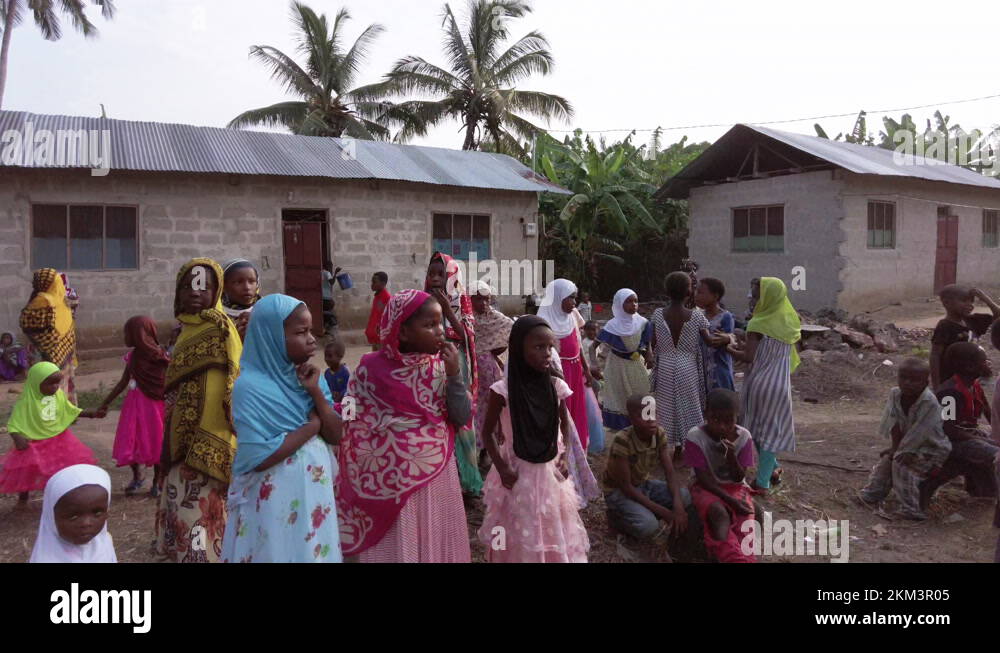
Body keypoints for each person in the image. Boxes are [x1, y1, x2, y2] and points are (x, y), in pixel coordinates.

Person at [336, 289, 472, 563]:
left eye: (440, 323)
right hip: (386, 476)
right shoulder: (370, 367)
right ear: (403, 331)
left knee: (432, 535)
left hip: (433, 475)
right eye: (429, 325)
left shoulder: (442, 367)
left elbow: (461, 416)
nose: (440, 332)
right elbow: (352, 410)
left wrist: (455, 375)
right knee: (399, 540)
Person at [222, 294, 344, 563]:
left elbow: (336, 434)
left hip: (314, 495)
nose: (311, 339)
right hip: (274, 498)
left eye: (310, 330)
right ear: (271, 336)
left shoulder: (310, 378)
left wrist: (316, 395)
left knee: (311, 552)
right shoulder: (250, 387)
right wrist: (311, 427)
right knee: (278, 550)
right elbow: (258, 456)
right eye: (301, 332)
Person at [477, 315, 590, 562]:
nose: (547, 353)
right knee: (515, 527)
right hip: (515, 473)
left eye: (550, 347)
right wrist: (502, 467)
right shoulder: (502, 391)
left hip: (550, 471)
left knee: (551, 524)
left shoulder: (554, 385)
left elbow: (565, 425)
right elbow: (487, 433)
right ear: (518, 349)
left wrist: (564, 455)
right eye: (538, 347)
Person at [153, 258, 242, 563]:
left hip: (212, 435)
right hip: (180, 435)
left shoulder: (221, 328)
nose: (196, 290)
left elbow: (233, 381)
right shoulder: (182, 333)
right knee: (183, 501)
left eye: (204, 285)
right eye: (189, 284)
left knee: (206, 509)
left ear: (216, 291)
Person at [728, 277, 800, 493]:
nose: (752, 299)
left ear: (767, 297)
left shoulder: (758, 324)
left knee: (761, 432)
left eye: (756, 294)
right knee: (765, 430)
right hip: (780, 384)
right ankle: (773, 469)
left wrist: (728, 346)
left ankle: (761, 483)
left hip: (760, 383)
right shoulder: (790, 321)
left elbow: (749, 357)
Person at [857, 358, 951, 520]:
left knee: (902, 467)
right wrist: (895, 448)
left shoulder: (930, 402)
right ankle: (872, 494)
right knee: (887, 461)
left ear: (925, 382)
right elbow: (893, 421)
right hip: (906, 444)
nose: (907, 383)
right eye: (903, 378)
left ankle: (911, 509)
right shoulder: (895, 394)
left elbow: (921, 431)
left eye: (914, 380)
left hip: (932, 448)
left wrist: (906, 450)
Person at [535, 278, 601, 504]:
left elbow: (578, 345)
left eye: (574, 297)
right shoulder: (543, 321)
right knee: (563, 417)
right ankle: (563, 457)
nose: (574, 302)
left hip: (574, 371)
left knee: (577, 413)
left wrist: (586, 370)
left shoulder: (572, 317)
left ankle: (578, 455)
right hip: (557, 375)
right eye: (569, 298)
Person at [1, 362, 101, 505]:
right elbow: (14, 422)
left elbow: (69, 410)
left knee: (61, 466)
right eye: (50, 384)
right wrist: (17, 437)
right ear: (36, 383)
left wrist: (90, 414)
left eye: (57, 383)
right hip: (34, 441)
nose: (55, 387)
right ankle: (23, 496)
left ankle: (62, 492)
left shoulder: (58, 395)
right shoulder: (26, 401)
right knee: (28, 469)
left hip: (58, 438)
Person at [648, 272, 727, 451]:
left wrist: (650, 356)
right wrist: (729, 338)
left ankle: (667, 446)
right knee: (690, 406)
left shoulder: (658, 314)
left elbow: (652, 343)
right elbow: (710, 341)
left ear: (667, 292)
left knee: (667, 407)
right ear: (688, 292)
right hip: (687, 367)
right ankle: (689, 446)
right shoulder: (697, 316)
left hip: (666, 366)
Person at [425, 252, 482, 495]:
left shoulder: (462, 299)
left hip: (454, 361)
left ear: (452, 277)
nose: (436, 279)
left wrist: (447, 310)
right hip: (429, 362)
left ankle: (468, 482)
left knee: (461, 416)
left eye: (441, 274)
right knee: (435, 413)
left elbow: (468, 334)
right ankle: (440, 476)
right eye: (432, 274)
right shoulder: (422, 299)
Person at [603, 395, 693, 542]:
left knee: (684, 497)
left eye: (653, 413)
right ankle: (616, 519)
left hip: (643, 485)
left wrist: (678, 507)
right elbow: (626, 487)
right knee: (648, 526)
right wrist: (664, 512)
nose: (651, 419)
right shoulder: (622, 440)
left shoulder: (659, 434)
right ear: (630, 418)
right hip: (619, 492)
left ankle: (645, 511)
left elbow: (670, 472)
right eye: (643, 415)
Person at [96, 316, 169, 497]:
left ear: (138, 335)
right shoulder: (134, 357)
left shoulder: (160, 357)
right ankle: (137, 475)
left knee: (156, 441)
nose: (124, 337)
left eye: (127, 333)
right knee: (131, 439)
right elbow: (123, 381)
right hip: (134, 405)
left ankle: (158, 480)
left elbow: (170, 380)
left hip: (154, 406)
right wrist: (105, 403)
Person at [685, 389, 757, 562]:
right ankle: (730, 557)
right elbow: (702, 479)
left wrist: (732, 456)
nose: (722, 426)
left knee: (745, 521)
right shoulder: (695, 437)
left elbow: (739, 477)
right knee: (719, 514)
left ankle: (745, 558)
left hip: (735, 486)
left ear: (736, 418)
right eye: (715, 420)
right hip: (705, 487)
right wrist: (731, 501)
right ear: (706, 415)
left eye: (728, 421)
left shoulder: (744, 437)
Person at [922, 342, 1000, 503]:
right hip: (949, 442)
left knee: (992, 444)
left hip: (966, 434)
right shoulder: (950, 393)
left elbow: (986, 409)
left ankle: (981, 491)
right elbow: (948, 430)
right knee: (994, 452)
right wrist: (982, 439)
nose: (988, 364)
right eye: (984, 362)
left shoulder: (974, 385)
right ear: (969, 367)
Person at [30, 464, 116, 563]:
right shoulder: (46, 559)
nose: (86, 523)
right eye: (73, 517)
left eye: (97, 513)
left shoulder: (103, 543)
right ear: (51, 517)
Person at [20, 268, 79, 404]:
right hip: (64, 352)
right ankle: (65, 413)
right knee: (62, 383)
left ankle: (48, 417)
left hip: (45, 353)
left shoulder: (43, 300)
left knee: (45, 385)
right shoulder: (62, 301)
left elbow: (27, 325)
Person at [596, 288, 651, 431]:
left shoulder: (642, 322)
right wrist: (594, 363)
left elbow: (647, 341)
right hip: (616, 366)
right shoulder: (612, 326)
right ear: (620, 304)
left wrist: (649, 354)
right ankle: (622, 428)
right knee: (620, 396)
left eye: (635, 301)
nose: (633, 304)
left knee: (641, 391)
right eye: (628, 301)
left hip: (636, 364)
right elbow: (593, 346)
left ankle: (641, 423)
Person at [470, 281, 513, 455]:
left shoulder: (494, 317)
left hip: (487, 369)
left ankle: (489, 449)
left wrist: (497, 350)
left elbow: (510, 328)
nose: (484, 304)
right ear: (470, 299)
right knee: (473, 407)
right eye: (478, 299)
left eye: (487, 299)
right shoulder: (466, 317)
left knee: (490, 407)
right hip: (469, 368)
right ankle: (476, 448)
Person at [930, 285, 1000, 390]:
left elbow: (998, 314)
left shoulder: (971, 321)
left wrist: (984, 298)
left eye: (972, 302)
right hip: (951, 380)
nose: (970, 305)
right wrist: (936, 386)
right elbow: (935, 356)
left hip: (970, 379)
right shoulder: (945, 326)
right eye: (964, 301)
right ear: (947, 303)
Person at [694, 278, 736, 392]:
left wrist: (728, 338)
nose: (696, 295)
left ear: (715, 296)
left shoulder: (725, 317)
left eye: (701, 292)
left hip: (719, 372)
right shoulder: (697, 315)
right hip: (700, 374)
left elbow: (723, 341)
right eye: (696, 291)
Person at [221, 259, 263, 341]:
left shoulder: (266, 311)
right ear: (224, 286)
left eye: (251, 281)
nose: (247, 287)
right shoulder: (217, 316)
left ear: (257, 284)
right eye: (238, 282)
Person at [365, 271, 391, 351]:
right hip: (375, 336)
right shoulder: (377, 297)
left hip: (381, 337)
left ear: (383, 283)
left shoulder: (387, 298)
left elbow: (388, 317)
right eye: (372, 282)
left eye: (374, 282)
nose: (372, 284)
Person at [324, 339, 350, 404]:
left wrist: (340, 395)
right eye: (325, 356)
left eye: (330, 356)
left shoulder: (345, 372)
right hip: (333, 401)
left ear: (340, 356)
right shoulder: (327, 373)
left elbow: (348, 388)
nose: (326, 359)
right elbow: (327, 387)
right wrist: (331, 393)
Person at [322, 260, 342, 332]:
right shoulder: (327, 273)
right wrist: (336, 273)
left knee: (325, 312)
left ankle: (325, 327)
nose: (331, 267)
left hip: (321, 297)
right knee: (330, 312)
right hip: (327, 297)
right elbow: (332, 282)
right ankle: (329, 327)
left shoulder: (320, 272)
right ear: (327, 266)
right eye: (330, 266)